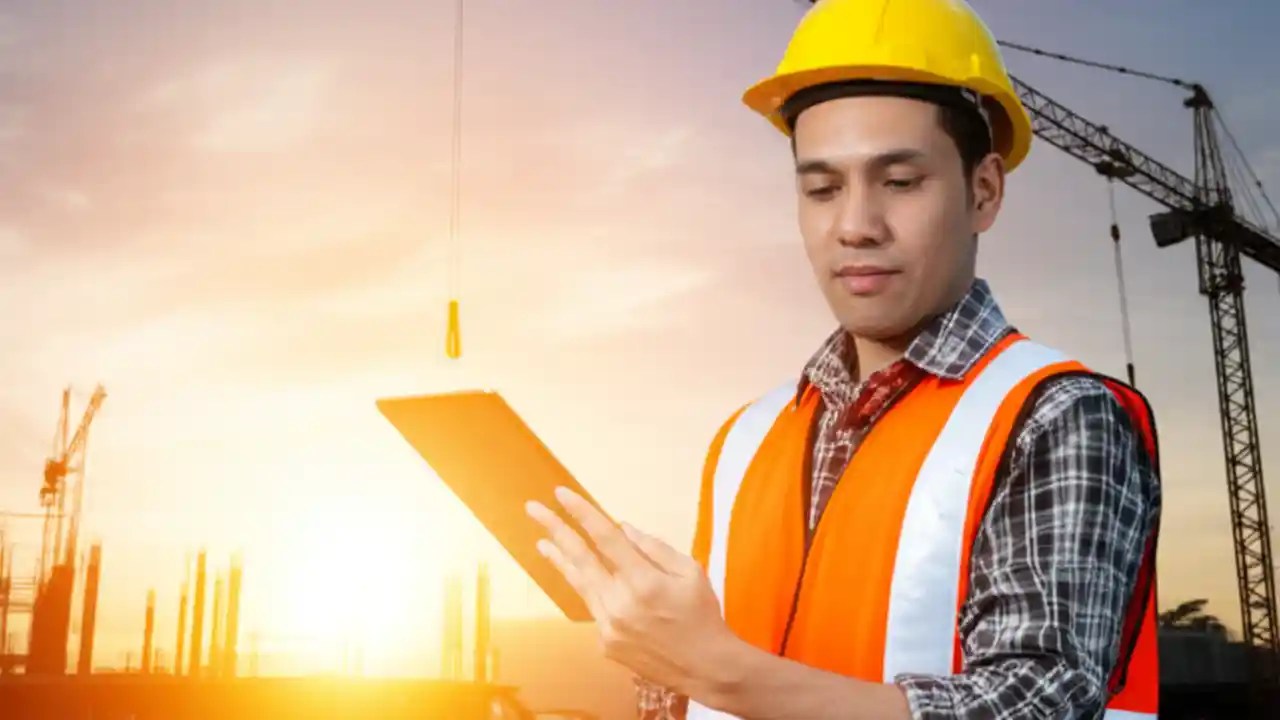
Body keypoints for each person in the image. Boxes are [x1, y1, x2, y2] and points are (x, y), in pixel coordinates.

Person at [525, 0, 1162, 718]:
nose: (856, 226)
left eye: (899, 182)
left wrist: (718, 670)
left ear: (982, 192)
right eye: (822, 189)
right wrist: (660, 661)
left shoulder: (1055, 416)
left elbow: (1035, 704)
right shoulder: (747, 438)